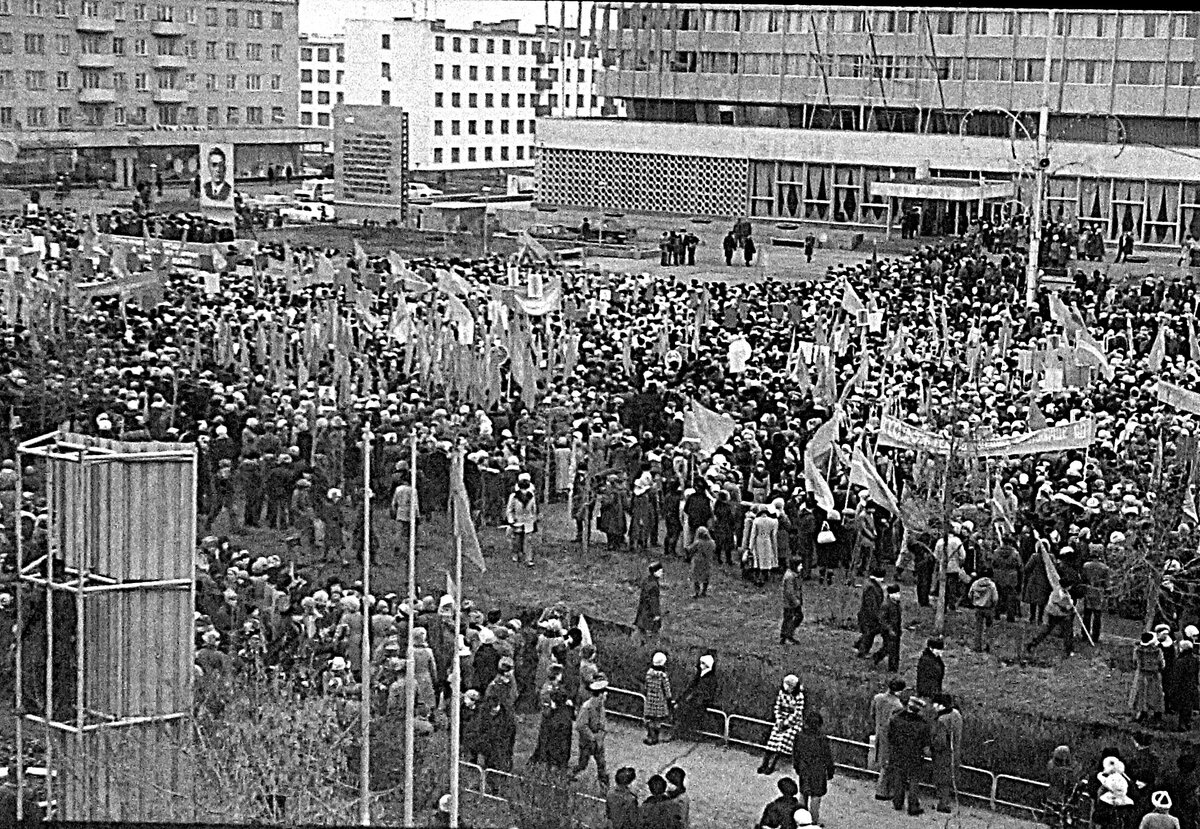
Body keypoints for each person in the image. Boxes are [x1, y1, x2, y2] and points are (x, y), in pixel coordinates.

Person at [887, 695, 931, 816]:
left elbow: (890, 736)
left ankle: (897, 802)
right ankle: (912, 806)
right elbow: (926, 745)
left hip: (898, 753)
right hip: (915, 755)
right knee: (913, 780)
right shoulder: (923, 725)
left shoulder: (896, 719)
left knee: (898, 777)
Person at [790, 711, 834, 825]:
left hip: (804, 768)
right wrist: (830, 771)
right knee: (816, 795)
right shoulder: (822, 739)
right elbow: (827, 757)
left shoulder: (799, 736)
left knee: (803, 793)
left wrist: (797, 767)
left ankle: (800, 820)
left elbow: (796, 754)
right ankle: (813, 823)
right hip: (818, 771)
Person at [758, 674, 804, 775]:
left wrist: (787, 724)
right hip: (781, 720)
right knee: (773, 739)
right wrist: (779, 721)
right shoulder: (781, 693)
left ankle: (772, 765)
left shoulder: (799, 696)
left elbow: (797, 713)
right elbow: (777, 707)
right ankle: (764, 763)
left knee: (783, 740)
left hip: (793, 724)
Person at [870, 678, 906, 800]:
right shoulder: (898, 705)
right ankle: (882, 791)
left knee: (882, 760)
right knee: (887, 763)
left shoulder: (878, 698)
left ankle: (883, 789)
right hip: (890, 736)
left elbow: (872, 715)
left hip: (879, 731)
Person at [572, 674, 609, 788]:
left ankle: (604, 786)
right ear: (600, 694)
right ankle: (570, 777)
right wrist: (592, 737)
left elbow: (603, 723)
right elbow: (580, 725)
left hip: (598, 742)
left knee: (601, 764)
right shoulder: (587, 707)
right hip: (587, 743)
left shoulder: (601, 707)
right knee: (583, 764)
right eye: (604, 693)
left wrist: (601, 735)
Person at [929, 694, 963, 813]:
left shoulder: (942, 720)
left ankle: (942, 803)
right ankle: (945, 801)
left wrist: (932, 745)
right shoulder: (956, 715)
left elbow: (940, 741)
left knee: (941, 778)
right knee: (949, 777)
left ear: (940, 705)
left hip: (943, 754)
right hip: (955, 752)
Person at [675, 654, 718, 739]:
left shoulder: (709, 678)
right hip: (696, 699)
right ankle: (680, 730)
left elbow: (704, 692)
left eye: (703, 663)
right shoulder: (700, 675)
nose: (700, 665)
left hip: (701, 701)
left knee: (688, 710)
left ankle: (682, 731)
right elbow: (692, 687)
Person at [1131, 631, 1167, 725]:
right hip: (1155, 674)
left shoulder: (1138, 650)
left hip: (1143, 674)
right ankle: (1157, 715)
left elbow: (1135, 662)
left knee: (1143, 694)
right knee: (1157, 695)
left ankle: (1142, 712)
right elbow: (1162, 664)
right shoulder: (1157, 651)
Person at [506, 471, 539, 567]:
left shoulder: (531, 496)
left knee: (528, 540)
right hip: (517, 521)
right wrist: (511, 520)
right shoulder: (514, 496)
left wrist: (533, 518)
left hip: (528, 521)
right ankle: (516, 554)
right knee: (517, 539)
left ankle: (528, 559)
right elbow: (509, 510)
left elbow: (534, 509)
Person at [1164, 638, 1198, 731]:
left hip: (1182, 686)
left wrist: (1172, 688)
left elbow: (1177, 676)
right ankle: (1188, 723)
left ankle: (1182, 724)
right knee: (1189, 706)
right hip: (1192, 685)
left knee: (1182, 706)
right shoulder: (1195, 659)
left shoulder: (1180, 662)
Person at [642, 651, 674, 745]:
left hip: (650, 699)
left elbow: (646, 686)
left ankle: (650, 736)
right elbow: (667, 689)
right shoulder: (663, 676)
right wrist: (669, 699)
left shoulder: (649, 673)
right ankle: (655, 737)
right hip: (660, 700)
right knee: (657, 721)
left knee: (649, 719)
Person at [854, 569, 885, 657]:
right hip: (868, 615)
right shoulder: (871, 588)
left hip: (868, 614)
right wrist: (876, 616)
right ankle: (862, 651)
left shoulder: (873, 586)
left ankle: (859, 645)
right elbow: (871, 605)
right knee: (869, 633)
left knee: (870, 632)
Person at [967, 567, 1000, 653]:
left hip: (978, 608)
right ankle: (989, 646)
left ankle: (977, 646)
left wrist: (973, 602)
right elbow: (995, 598)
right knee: (989, 628)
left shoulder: (975, 584)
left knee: (978, 628)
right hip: (989, 608)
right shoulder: (992, 585)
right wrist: (993, 605)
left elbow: (970, 595)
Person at [871, 584, 902, 672]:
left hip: (895, 630)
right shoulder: (886, 605)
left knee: (893, 649)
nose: (898, 595)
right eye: (896, 594)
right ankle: (892, 668)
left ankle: (892, 666)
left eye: (898, 593)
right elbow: (882, 619)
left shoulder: (896, 604)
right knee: (891, 649)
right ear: (891, 594)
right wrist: (889, 629)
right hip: (888, 631)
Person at [634, 562, 663, 646]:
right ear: (655, 572)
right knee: (654, 631)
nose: (662, 573)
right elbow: (654, 601)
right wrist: (656, 614)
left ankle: (639, 644)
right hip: (649, 612)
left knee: (641, 628)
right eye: (660, 571)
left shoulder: (647, 581)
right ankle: (653, 646)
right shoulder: (654, 585)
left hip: (643, 610)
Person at [685, 525, 714, 598]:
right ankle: (704, 591)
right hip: (707, 561)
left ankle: (696, 592)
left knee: (696, 577)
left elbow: (690, 549)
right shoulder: (712, 543)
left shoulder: (698, 542)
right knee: (706, 577)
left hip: (697, 561)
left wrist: (687, 548)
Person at [780, 558, 804, 644]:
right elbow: (790, 592)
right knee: (793, 618)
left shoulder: (792, 575)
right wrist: (796, 602)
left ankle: (785, 635)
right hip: (791, 603)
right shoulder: (790, 577)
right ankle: (788, 635)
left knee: (788, 618)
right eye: (800, 565)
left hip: (790, 603)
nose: (801, 567)